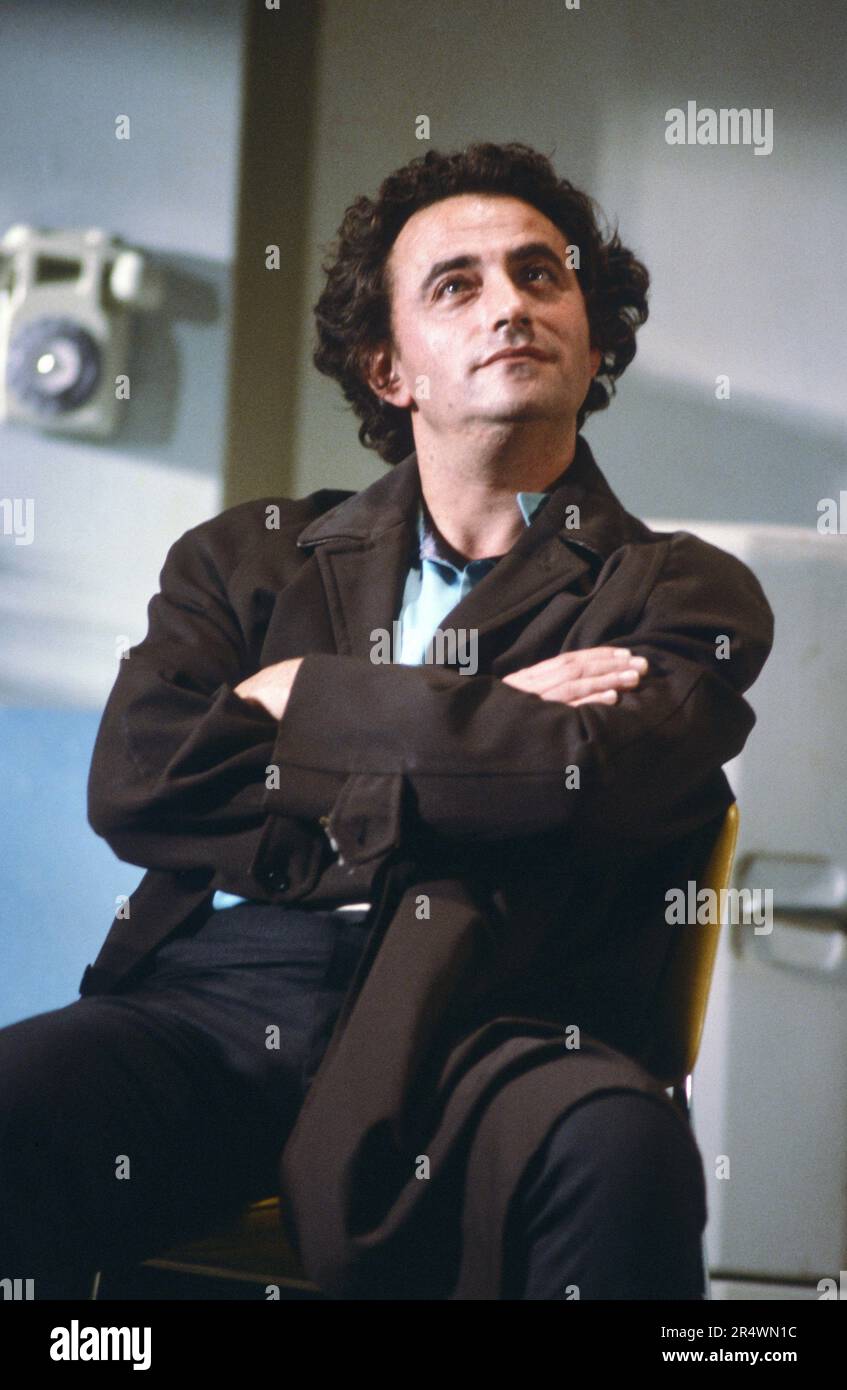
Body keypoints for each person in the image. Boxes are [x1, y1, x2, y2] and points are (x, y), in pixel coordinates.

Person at [0, 141, 773, 1300]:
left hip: (499, 1009)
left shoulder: (683, 590)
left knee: (621, 1147)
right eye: (456, 286)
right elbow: (143, 782)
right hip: (219, 1003)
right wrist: (489, 739)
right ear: (388, 367)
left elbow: (592, 782)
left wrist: (302, 702)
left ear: (594, 329)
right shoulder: (247, 556)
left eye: (541, 274)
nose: (509, 303)